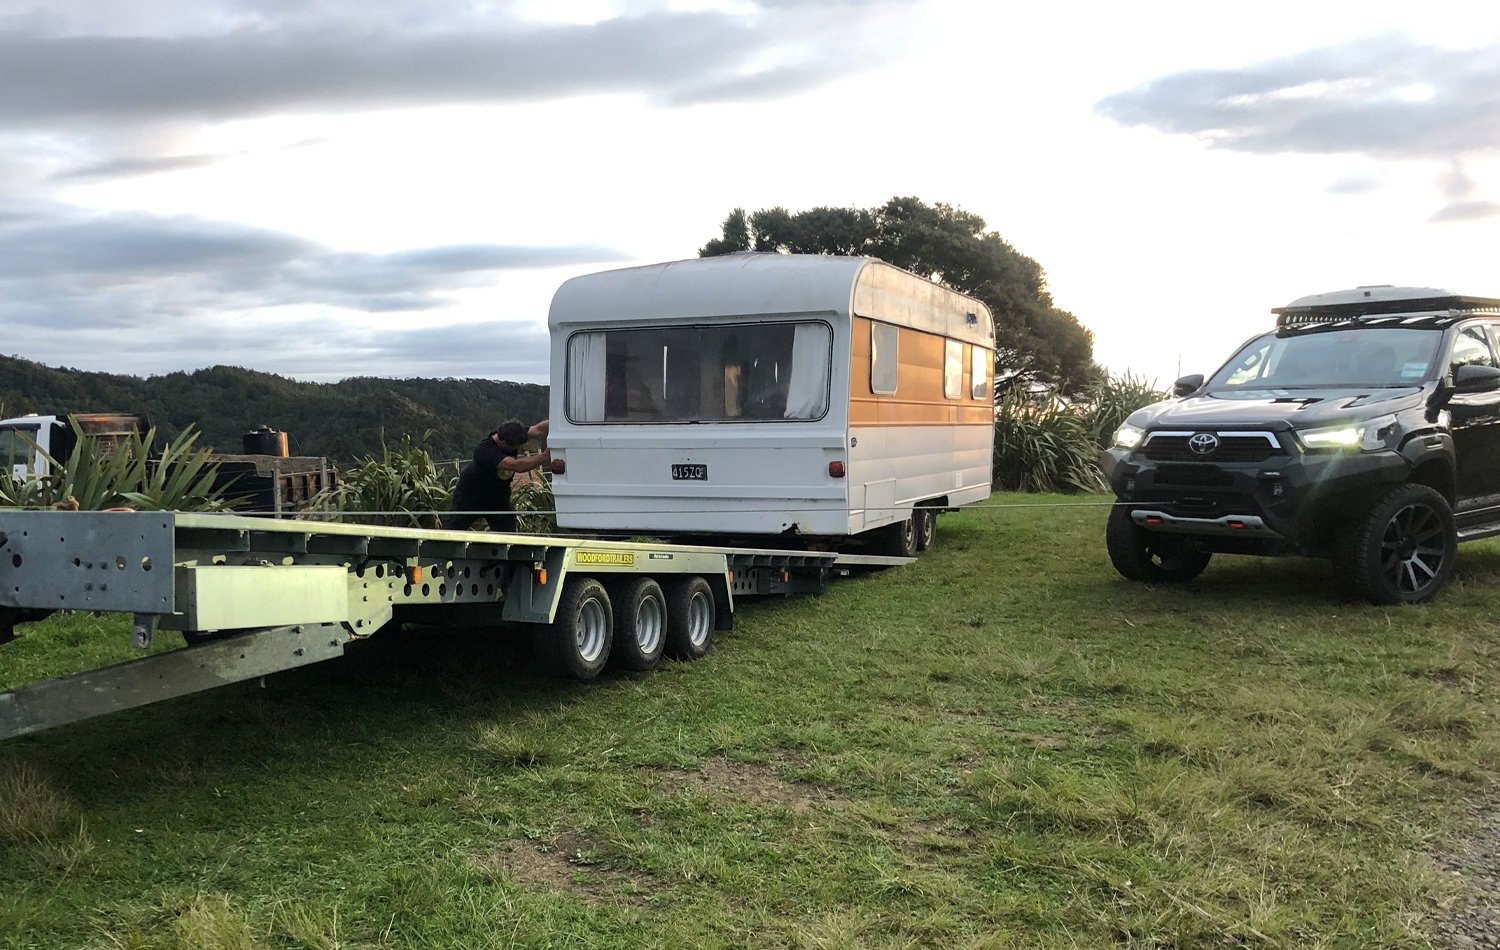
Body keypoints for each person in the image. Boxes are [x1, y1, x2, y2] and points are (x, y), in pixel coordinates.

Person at [442, 419, 550, 531]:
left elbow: (538, 429)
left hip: (498, 498)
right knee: (454, 529)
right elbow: (517, 466)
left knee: (507, 531)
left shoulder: (515, 433)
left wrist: (560, 422)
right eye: (516, 447)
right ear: (503, 443)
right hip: (471, 497)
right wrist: (545, 456)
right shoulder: (485, 450)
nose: (518, 449)